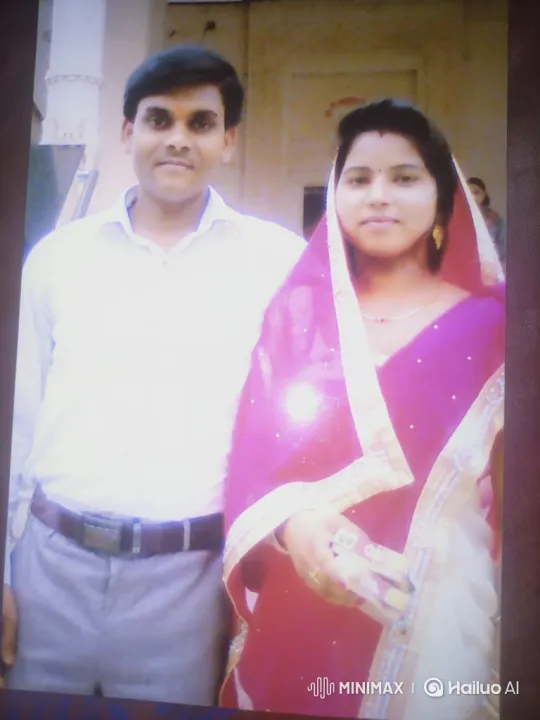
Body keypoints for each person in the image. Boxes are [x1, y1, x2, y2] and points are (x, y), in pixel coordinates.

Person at [2, 44, 305, 704]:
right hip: (47, 569)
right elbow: (16, 421)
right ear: (127, 130)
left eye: (201, 123)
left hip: (190, 584)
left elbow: (301, 424)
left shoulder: (277, 262)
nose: (177, 139)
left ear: (228, 140)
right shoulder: (58, 259)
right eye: (158, 119)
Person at [220, 99, 505, 719]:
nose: (379, 195)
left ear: (442, 199)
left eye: (404, 177)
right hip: (302, 593)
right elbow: (253, 457)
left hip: (435, 611)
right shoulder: (298, 317)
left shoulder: (495, 327)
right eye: (359, 178)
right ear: (335, 197)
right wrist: (294, 528)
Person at [467, 176, 506, 265]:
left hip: (488, 265)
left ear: (484, 195)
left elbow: (502, 247)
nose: (472, 196)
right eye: (468, 192)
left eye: (476, 192)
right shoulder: (454, 214)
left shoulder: (495, 219)